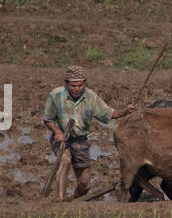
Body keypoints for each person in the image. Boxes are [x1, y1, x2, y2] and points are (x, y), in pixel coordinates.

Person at [43, 65, 137, 199]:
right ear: (66, 84)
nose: (77, 89)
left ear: (84, 84)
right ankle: (61, 199)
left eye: (80, 85)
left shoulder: (91, 97)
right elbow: (48, 119)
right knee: (65, 160)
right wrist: (57, 132)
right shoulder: (55, 95)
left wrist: (125, 111)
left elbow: (109, 113)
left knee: (85, 184)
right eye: (73, 85)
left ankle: (74, 199)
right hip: (61, 138)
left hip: (80, 140)